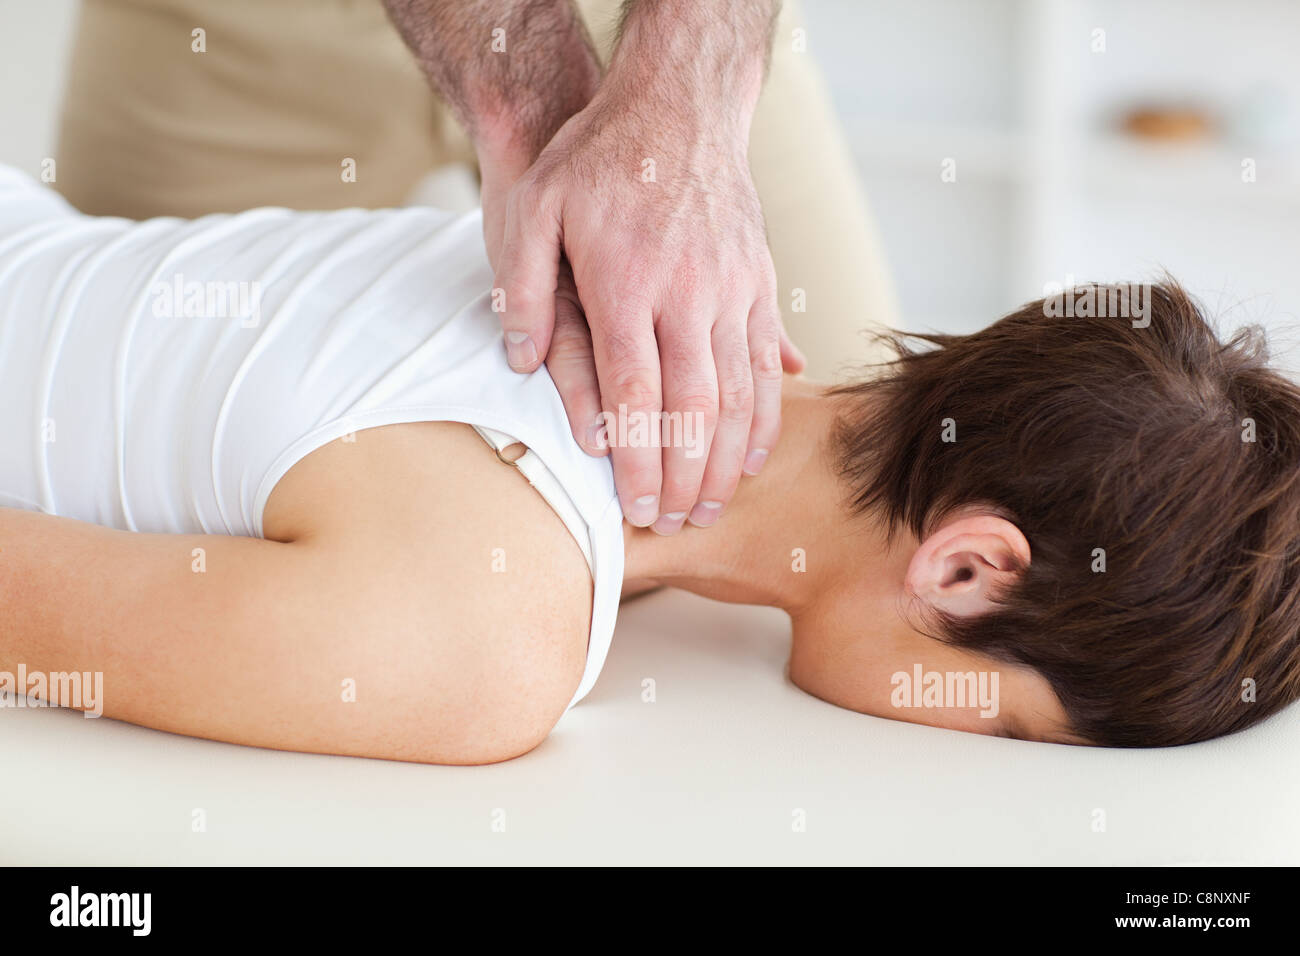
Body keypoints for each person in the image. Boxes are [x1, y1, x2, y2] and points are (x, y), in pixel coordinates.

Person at [3, 166, 1298, 762]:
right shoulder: (482, 641)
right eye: (1005, 723)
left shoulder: (635, 262)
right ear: (966, 569)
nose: (978, 745)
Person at [52, 0, 901, 538]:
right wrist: (534, 104)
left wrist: (681, 112)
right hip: (238, 32)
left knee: (848, 474)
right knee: (110, 447)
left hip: (655, 29)